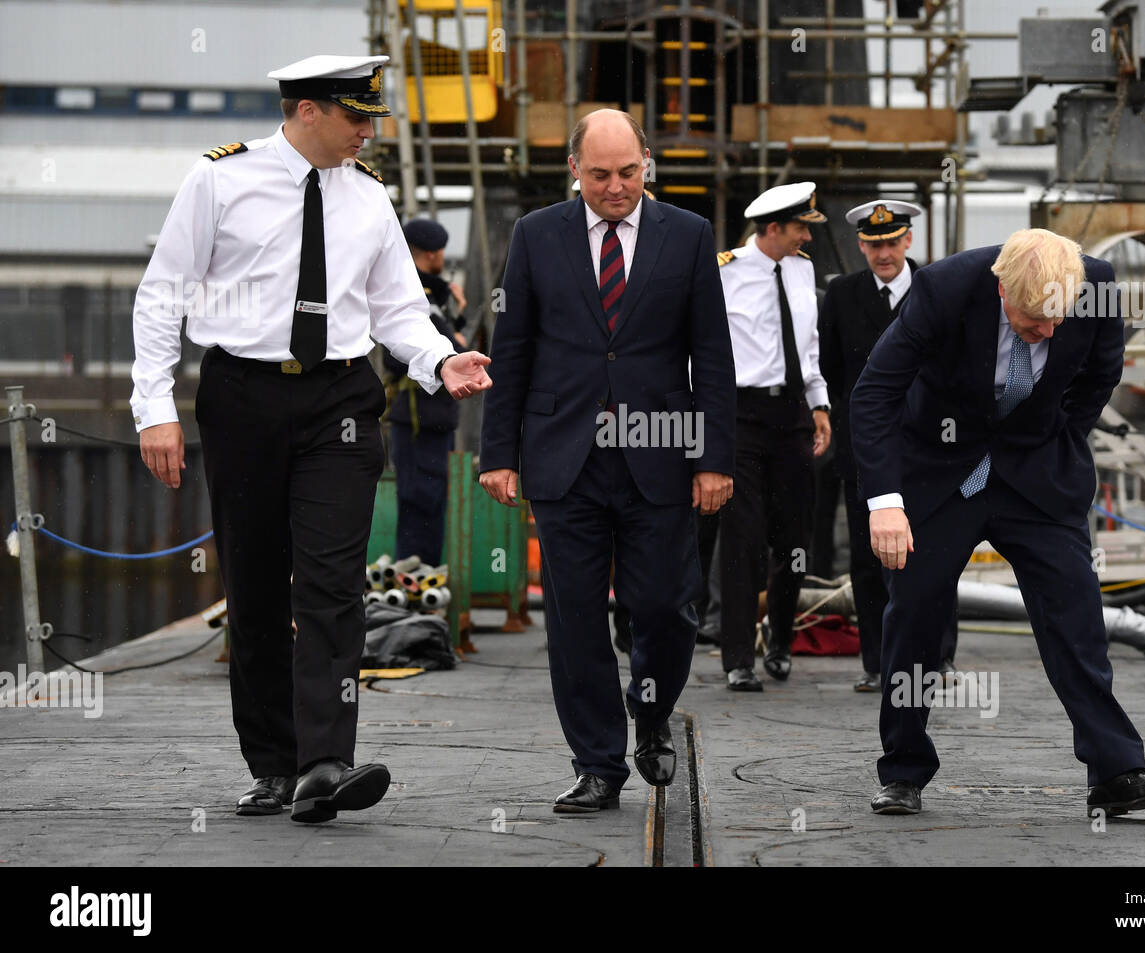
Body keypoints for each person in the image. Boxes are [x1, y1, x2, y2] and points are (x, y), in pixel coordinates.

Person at [130, 54, 492, 824]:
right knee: (258, 586)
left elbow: (397, 308)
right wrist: (152, 404)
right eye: (356, 116)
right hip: (243, 395)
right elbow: (164, 292)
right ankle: (273, 764)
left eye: (371, 117)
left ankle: (327, 761)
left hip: (340, 400)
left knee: (331, 582)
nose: (368, 130)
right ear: (304, 112)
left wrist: (438, 358)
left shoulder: (369, 198)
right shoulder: (219, 181)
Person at [851, 227, 1145, 817]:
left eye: (1058, 319)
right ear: (1002, 288)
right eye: (1035, 320)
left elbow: (1099, 377)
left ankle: (1116, 771)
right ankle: (903, 769)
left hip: (1035, 477)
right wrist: (885, 503)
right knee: (915, 616)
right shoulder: (944, 289)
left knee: (1076, 614)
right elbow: (875, 393)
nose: (1049, 333)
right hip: (942, 470)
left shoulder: (1098, 286)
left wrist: (1051, 438)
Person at [479, 109, 735, 812]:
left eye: (628, 172)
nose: (616, 187)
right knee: (575, 622)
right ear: (574, 171)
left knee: (664, 607)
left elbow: (711, 355)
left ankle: (650, 714)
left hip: (660, 454)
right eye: (600, 175)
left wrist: (714, 458)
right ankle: (597, 763)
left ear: (647, 161)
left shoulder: (688, 237)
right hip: (565, 459)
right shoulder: (536, 236)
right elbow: (513, 349)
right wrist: (497, 454)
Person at [818, 199, 958, 693]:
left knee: (938, 552)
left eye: (891, 242)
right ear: (861, 244)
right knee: (868, 558)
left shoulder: (936, 289)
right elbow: (834, 370)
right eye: (874, 244)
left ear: (908, 241)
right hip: (867, 449)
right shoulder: (842, 296)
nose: (883, 253)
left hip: (928, 446)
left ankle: (938, 657)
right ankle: (878, 663)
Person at [715, 183, 831, 691]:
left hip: (793, 414)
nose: (807, 235)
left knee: (794, 537)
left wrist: (819, 402)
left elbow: (808, 348)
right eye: (800, 227)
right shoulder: (723, 272)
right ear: (772, 228)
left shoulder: (803, 271)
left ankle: (780, 640)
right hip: (740, 414)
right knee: (742, 539)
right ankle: (738, 656)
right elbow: (703, 349)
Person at [382, 217, 466, 566]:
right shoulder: (415, 295)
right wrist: (455, 342)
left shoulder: (433, 294)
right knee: (421, 500)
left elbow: (454, 344)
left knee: (429, 501)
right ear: (430, 252)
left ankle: (421, 576)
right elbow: (396, 356)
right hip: (420, 417)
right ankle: (415, 581)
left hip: (434, 418)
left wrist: (457, 322)